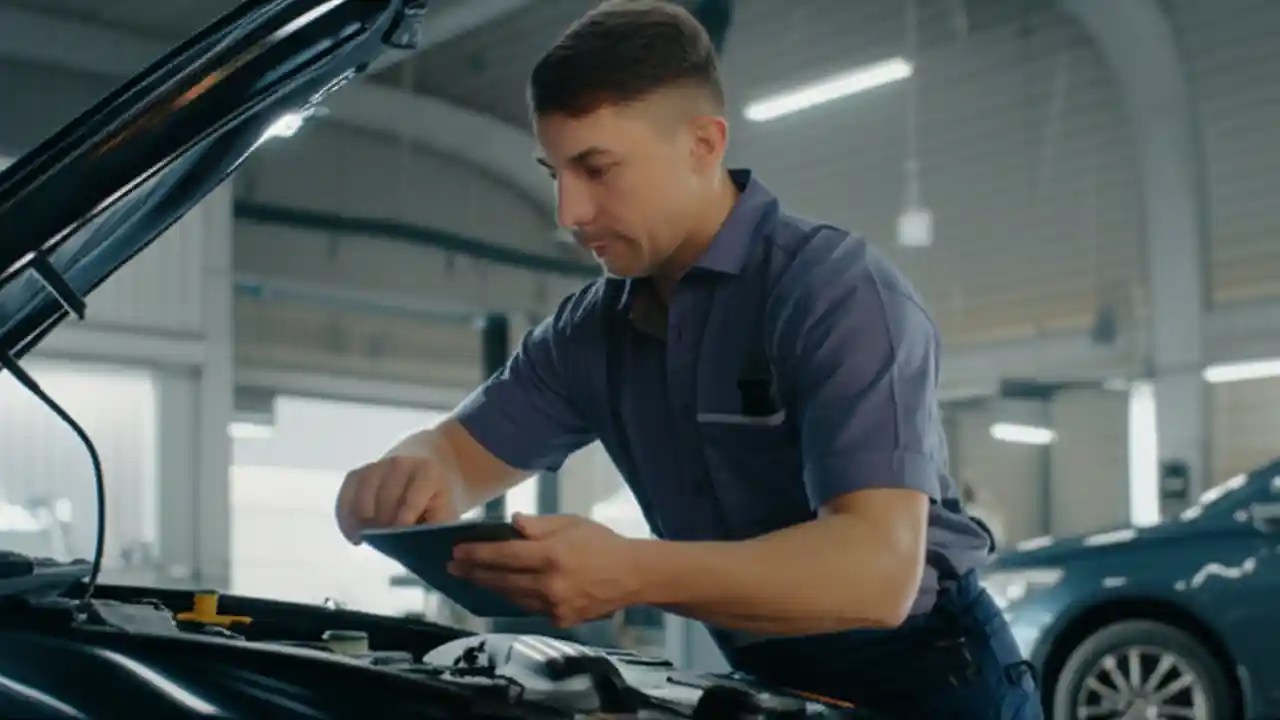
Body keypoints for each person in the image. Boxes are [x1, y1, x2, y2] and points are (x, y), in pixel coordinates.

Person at [334, 1, 1041, 716]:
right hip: (774, 679)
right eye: (555, 172)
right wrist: (409, 470)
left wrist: (630, 572)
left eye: (597, 168)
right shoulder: (589, 333)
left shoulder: (835, 293)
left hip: (934, 681)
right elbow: (457, 457)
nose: (568, 212)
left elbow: (878, 575)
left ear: (703, 145)